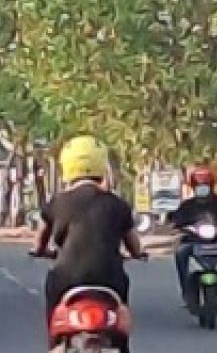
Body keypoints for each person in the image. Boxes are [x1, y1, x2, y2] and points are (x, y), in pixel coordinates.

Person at [32, 136, 144, 327]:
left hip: (67, 277)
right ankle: (121, 346)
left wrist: (40, 251)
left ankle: (54, 345)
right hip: (109, 276)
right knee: (120, 307)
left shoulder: (57, 203)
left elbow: (40, 240)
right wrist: (137, 254)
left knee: (54, 301)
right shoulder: (118, 205)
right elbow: (133, 243)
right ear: (101, 166)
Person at [168, 164, 217, 290]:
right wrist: (177, 224)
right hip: (192, 241)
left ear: (211, 187)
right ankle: (185, 289)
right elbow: (177, 219)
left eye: (205, 186)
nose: (202, 189)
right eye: (199, 186)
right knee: (180, 253)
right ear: (194, 187)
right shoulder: (187, 205)